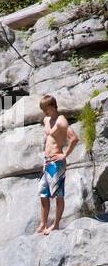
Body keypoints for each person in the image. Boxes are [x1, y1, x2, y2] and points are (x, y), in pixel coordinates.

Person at [37, 94, 78, 234]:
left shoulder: (61, 121)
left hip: (57, 163)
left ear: (53, 106)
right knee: (43, 194)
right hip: (47, 161)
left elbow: (74, 138)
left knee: (58, 194)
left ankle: (55, 225)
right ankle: (43, 224)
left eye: (45, 108)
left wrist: (64, 155)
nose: (44, 111)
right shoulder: (46, 119)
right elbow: (48, 140)